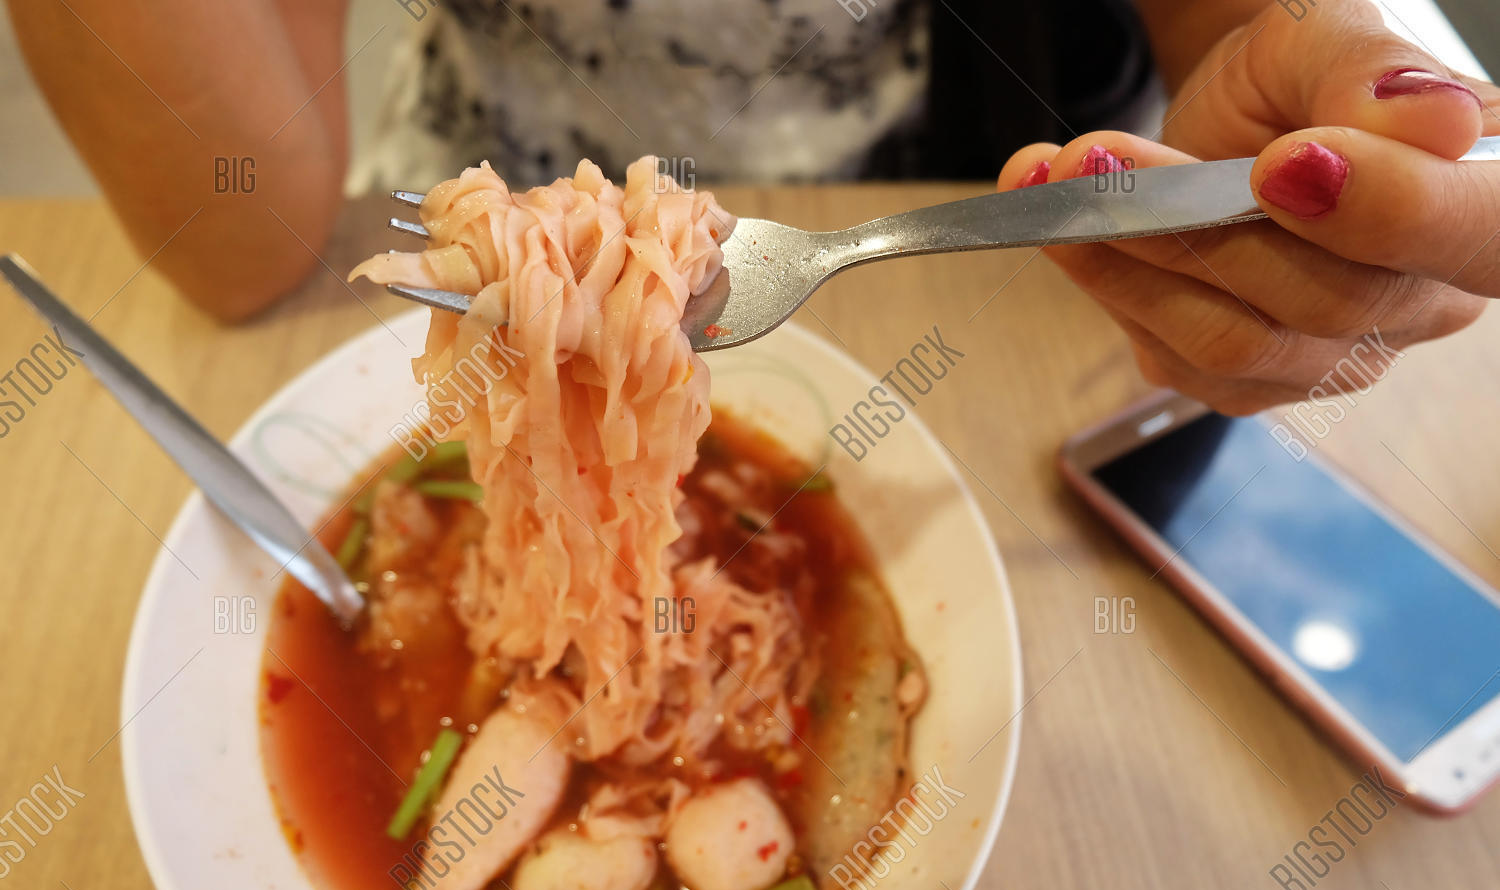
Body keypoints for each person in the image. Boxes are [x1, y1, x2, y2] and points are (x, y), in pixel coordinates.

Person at [7, 0, 1499, 413]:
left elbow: (1268, 24)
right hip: (462, 206)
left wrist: (1362, 67)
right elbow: (241, 236)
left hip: (957, 223)